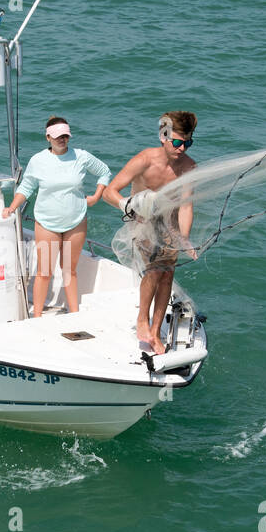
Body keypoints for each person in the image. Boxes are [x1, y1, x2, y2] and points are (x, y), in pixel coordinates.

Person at [104, 110, 199, 354]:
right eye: (177, 142)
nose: (182, 148)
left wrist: (184, 238)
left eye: (187, 142)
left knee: (167, 274)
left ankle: (156, 332)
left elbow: (186, 205)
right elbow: (110, 191)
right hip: (141, 219)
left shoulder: (189, 167)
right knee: (155, 269)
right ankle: (141, 320)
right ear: (163, 136)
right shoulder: (145, 160)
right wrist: (128, 206)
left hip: (170, 223)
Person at [1, 117, 110, 316]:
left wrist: (95, 196)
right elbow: (26, 187)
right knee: (45, 272)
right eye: (58, 136)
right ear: (48, 137)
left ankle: (74, 313)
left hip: (76, 221)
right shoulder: (38, 160)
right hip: (47, 223)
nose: (62, 139)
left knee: (69, 270)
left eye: (66, 136)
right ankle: (37, 316)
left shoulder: (81, 156)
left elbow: (104, 172)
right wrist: (11, 207)